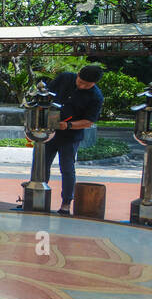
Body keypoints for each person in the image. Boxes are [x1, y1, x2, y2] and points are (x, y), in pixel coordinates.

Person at [40, 63, 104, 215]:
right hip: (49, 131)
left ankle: (66, 204)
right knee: (42, 165)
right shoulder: (65, 78)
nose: (81, 86)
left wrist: (68, 125)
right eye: (80, 81)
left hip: (70, 135)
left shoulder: (96, 96)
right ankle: (39, 197)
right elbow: (46, 94)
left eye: (86, 85)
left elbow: (89, 121)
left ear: (94, 84)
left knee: (67, 168)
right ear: (78, 74)